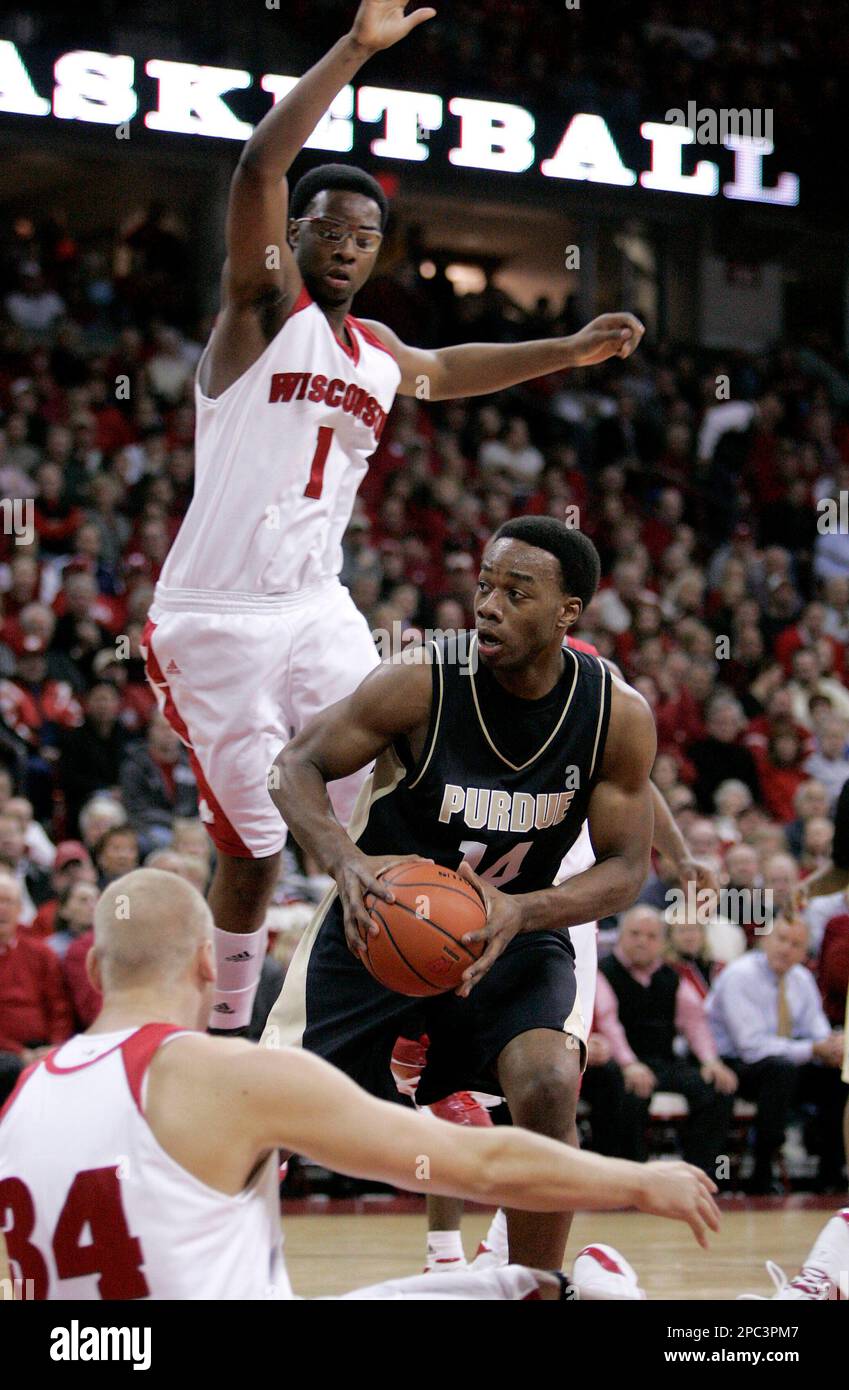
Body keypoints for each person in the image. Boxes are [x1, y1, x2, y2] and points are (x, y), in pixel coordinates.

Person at [141, 0, 645, 1032]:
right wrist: (358, 53)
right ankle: (228, 1028)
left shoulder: (375, 350)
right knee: (255, 843)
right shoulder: (256, 313)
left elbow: (448, 368)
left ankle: (439, 1003)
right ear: (293, 240)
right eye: (328, 229)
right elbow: (253, 168)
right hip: (217, 614)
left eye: (365, 236)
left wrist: (569, 351)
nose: (346, 246)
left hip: (316, 606)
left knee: (426, 754)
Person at [0, 869, 719, 1301]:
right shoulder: (230, 1077)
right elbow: (480, 1161)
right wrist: (635, 1181)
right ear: (206, 965)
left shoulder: (21, 1099)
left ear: (93, 973)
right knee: (536, 1287)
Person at [263, 518, 659, 1271]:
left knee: (547, 1083)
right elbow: (294, 768)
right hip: (378, 920)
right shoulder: (419, 680)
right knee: (272, 1105)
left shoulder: (616, 714)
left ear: (567, 612)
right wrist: (345, 862)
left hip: (513, 926)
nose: (487, 606)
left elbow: (623, 870)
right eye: (483, 586)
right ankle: (224, 1282)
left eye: (516, 593)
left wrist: (528, 911)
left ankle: (537, 1284)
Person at [706, 915, 847, 1193]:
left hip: (782, 1060)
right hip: (734, 1065)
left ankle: (831, 1173)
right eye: (781, 939)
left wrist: (833, 1047)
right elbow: (751, 1047)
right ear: (765, 939)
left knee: (837, 1075)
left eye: (796, 944)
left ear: (805, 952)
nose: (786, 949)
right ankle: (761, 1172)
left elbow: (816, 1030)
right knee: (781, 1071)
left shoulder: (801, 978)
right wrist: (813, 1049)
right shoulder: (739, 975)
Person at [594, 906, 737, 1172]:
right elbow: (608, 1023)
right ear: (621, 936)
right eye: (635, 934)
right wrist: (629, 1065)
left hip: (663, 1062)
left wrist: (711, 1061)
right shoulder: (603, 972)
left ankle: (698, 1174)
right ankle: (631, 1177)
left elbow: (694, 1024)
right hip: (623, 1063)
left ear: (662, 942)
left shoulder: (673, 977)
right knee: (628, 1092)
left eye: (651, 936)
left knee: (717, 1090)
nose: (642, 941)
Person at [0, 870, 73, 1104]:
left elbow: (59, 1005)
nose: (2, 909)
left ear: (20, 909)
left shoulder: (41, 953)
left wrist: (55, 1045)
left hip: (44, 1047)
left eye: (7, 901)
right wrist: (19, 1053)